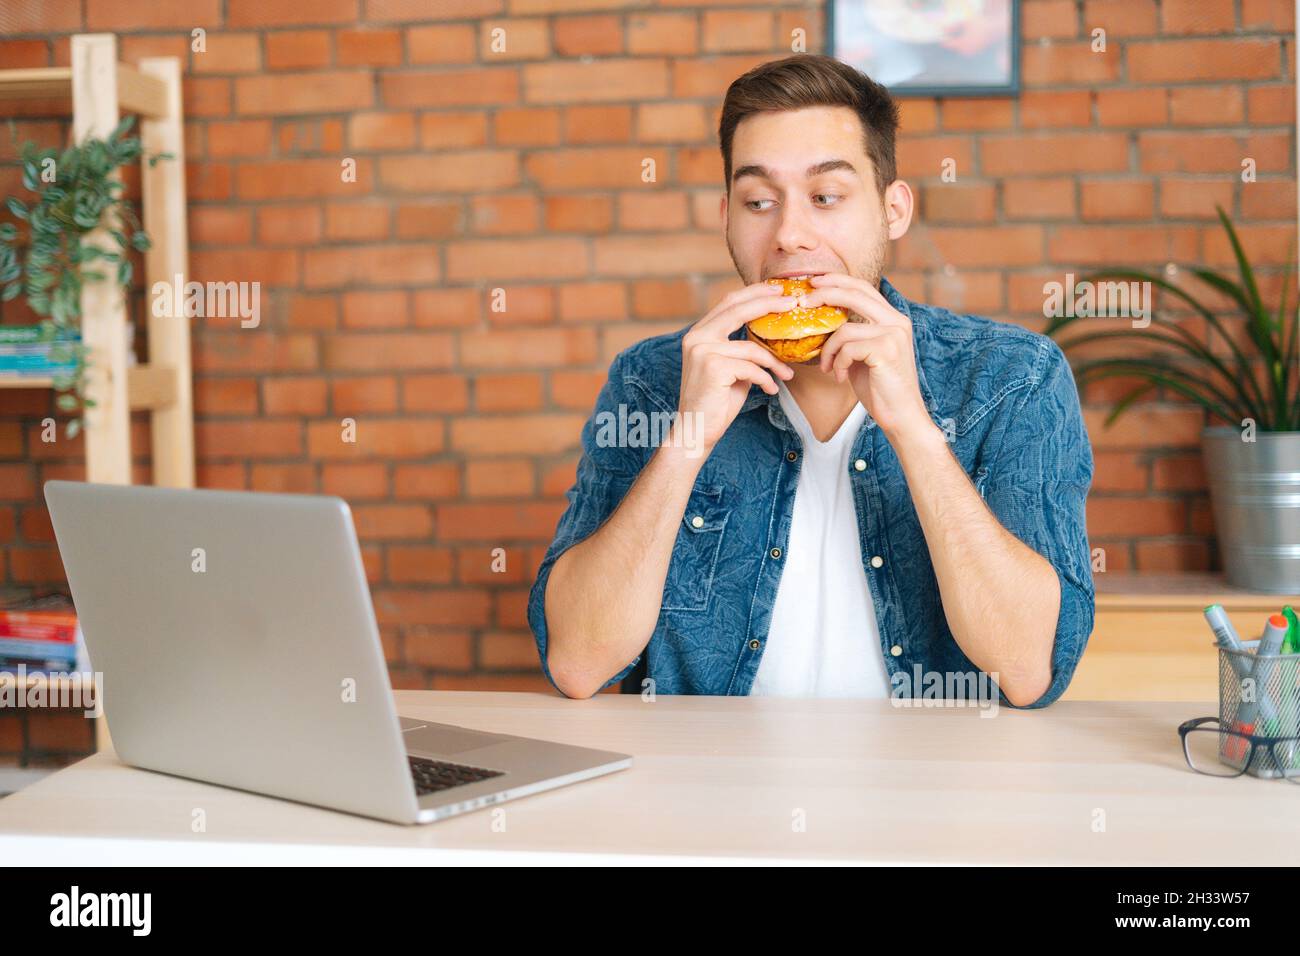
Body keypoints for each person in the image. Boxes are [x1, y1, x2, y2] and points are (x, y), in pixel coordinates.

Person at [528, 53, 1094, 706]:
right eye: (759, 202)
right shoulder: (652, 381)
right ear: (727, 217)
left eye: (825, 197)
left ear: (893, 210)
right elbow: (578, 663)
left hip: (934, 772)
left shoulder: (1015, 378)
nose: (790, 235)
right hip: (701, 770)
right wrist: (686, 441)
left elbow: (1029, 670)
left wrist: (914, 430)